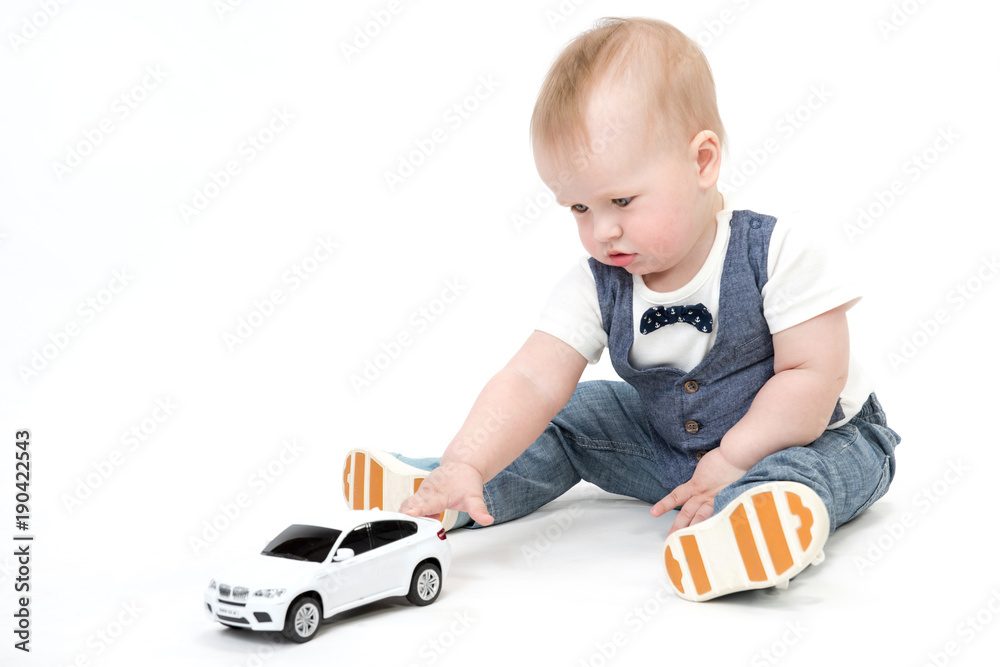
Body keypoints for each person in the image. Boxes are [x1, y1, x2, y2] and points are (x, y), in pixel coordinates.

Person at [342, 16, 900, 601]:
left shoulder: (781, 251)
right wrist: (465, 458)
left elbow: (812, 379)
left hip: (811, 437)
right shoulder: (597, 283)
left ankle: (757, 526)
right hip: (668, 449)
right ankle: (448, 489)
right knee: (567, 416)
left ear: (703, 162)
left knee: (806, 473)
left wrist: (732, 459)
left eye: (622, 200)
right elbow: (531, 379)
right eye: (579, 207)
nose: (602, 230)